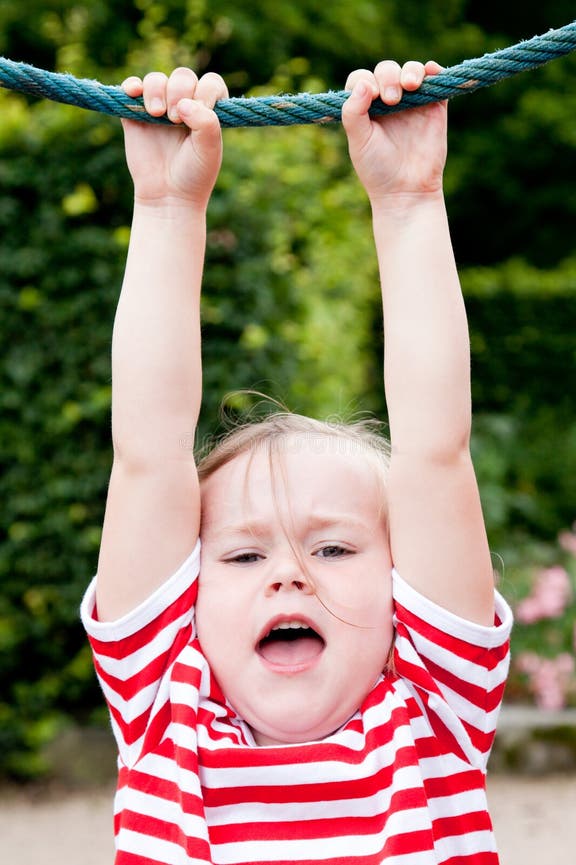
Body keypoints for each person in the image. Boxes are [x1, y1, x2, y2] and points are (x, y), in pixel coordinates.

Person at [81, 60, 513, 865]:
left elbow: (434, 451)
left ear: (402, 587)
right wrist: (166, 206)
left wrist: (412, 199)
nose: (289, 575)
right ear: (187, 597)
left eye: (335, 546)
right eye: (243, 553)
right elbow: (148, 455)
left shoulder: (433, 711)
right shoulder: (163, 703)